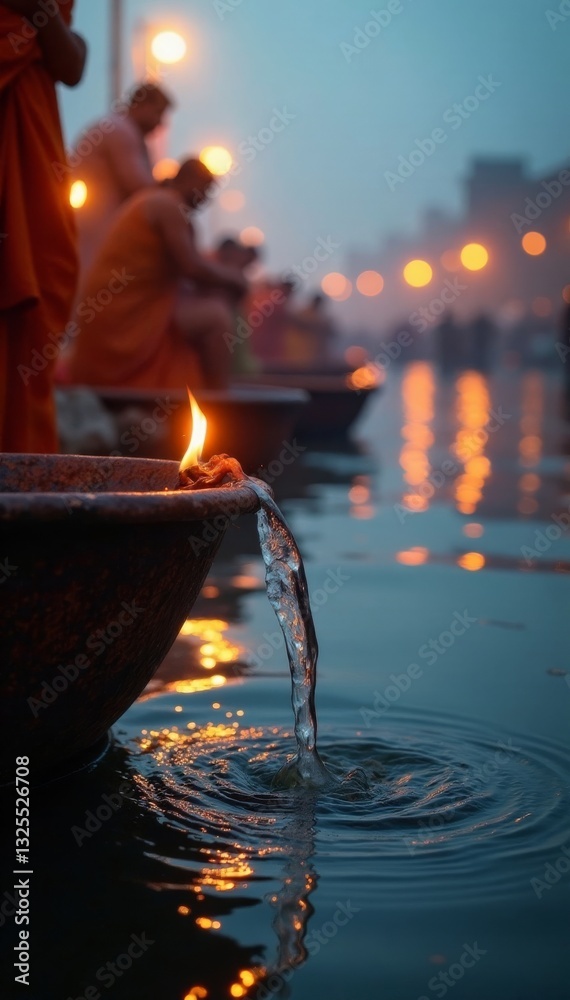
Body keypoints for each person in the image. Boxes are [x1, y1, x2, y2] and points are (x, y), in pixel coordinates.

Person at [66, 159, 247, 391]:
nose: (206, 198)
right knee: (217, 318)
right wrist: (233, 279)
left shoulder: (152, 201)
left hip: (128, 318)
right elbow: (191, 267)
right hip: (122, 325)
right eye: (205, 188)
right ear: (187, 179)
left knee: (208, 313)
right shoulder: (166, 204)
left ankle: (205, 396)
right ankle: (221, 405)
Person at [0, 0, 87, 453]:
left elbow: (73, 66)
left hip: (32, 159)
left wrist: (42, 13)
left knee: (35, 294)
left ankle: (20, 469)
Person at [72, 82, 173, 273]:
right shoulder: (121, 131)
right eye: (158, 113)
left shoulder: (121, 129)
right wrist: (169, 190)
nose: (160, 123)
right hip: (96, 224)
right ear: (143, 105)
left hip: (95, 222)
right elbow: (139, 187)